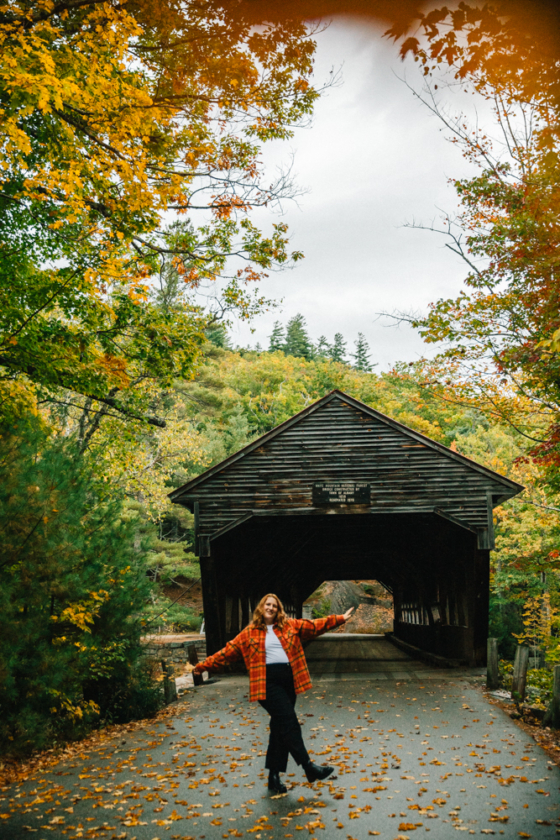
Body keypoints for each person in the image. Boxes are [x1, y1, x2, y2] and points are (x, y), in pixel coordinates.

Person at [193, 594, 355, 794]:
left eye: (274, 606)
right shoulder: (249, 633)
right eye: (267, 605)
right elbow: (227, 652)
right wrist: (202, 666)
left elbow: (314, 625)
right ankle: (308, 766)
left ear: (279, 610)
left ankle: (274, 778)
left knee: (280, 728)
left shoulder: (289, 626)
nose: (270, 608)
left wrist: (339, 619)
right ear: (261, 608)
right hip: (266, 684)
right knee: (289, 722)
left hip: (289, 682)